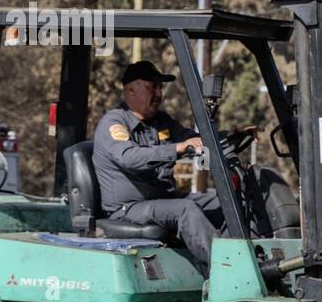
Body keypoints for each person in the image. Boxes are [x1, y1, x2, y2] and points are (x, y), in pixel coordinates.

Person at [93, 61, 224, 273]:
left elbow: (192, 138)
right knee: (186, 210)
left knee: (225, 201)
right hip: (129, 208)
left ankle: (248, 262)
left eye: (160, 87)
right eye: (151, 87)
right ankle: (225, 273)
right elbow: (130, 157)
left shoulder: (161, 121)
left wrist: (229, 135)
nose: (158, 93)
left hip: (163, 201)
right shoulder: (114, 123)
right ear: (130, 90)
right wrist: (178, 148)